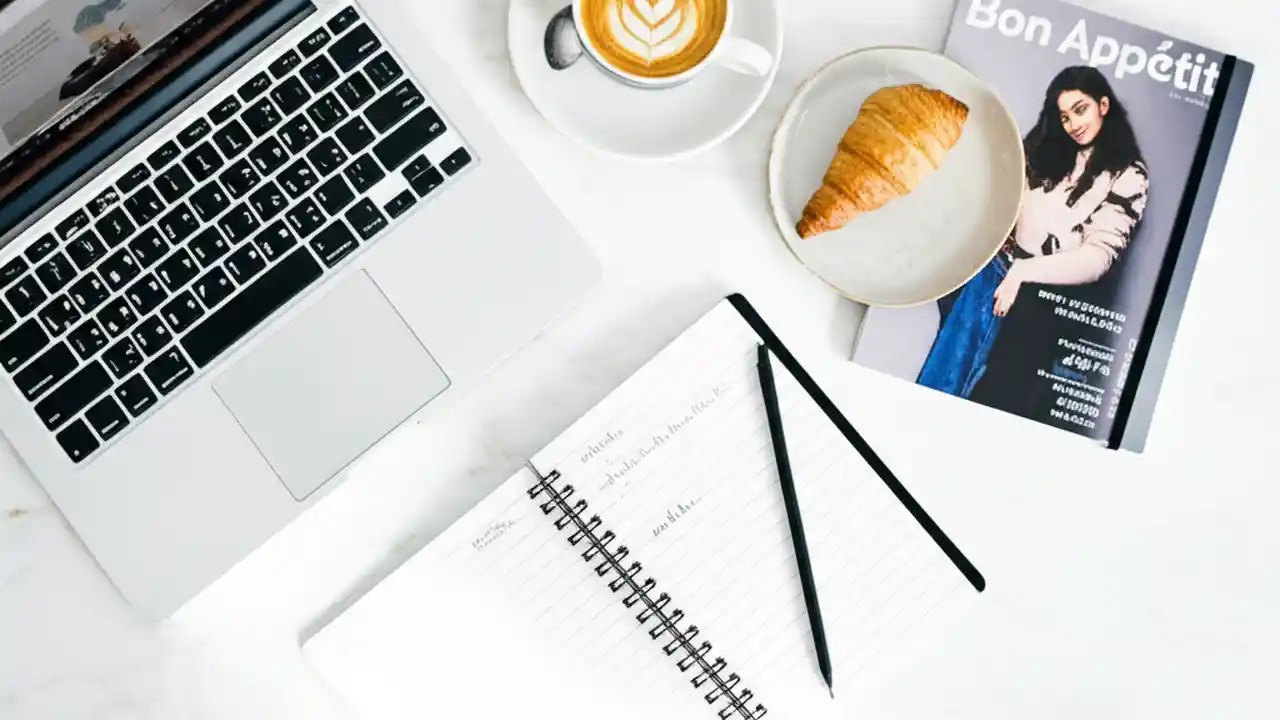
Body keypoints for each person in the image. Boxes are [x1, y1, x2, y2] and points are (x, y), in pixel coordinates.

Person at [916, 65, 1150, 398]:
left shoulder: (1129, 175)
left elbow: (1098, 258)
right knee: (946, 375)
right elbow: (1006, 196)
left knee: (971, 389)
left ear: (1103, 105)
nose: (1073, 125)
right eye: (1065, 117)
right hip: (988, 274)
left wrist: (1023, 272)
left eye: (1080, 109)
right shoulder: (1049, 148)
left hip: (1035, 299)